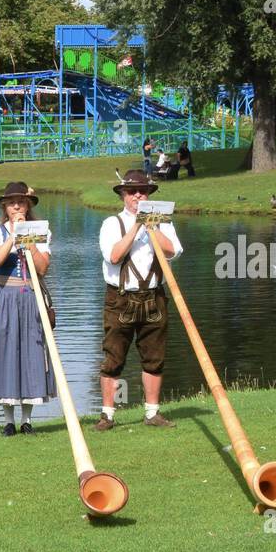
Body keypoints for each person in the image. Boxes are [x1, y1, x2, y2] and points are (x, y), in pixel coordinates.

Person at [96, 169, 182, 430]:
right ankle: (107, 415)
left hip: (155, 297)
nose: (138, 195)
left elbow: (173, 252)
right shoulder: (112, 223)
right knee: (114, 357)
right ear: (123, 195)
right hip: (120, 298)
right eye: (132, 191)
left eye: (143, 191)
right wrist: (136, 225)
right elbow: (114, 256)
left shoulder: (163, 222)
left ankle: (152, 413)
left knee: (154, 356)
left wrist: (152, 226)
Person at [0, 182, 56, 436]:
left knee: (32, 353)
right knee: (4, 352)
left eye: (21, 201)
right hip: (4, 295)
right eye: (11, 202)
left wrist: (29, 239)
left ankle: (27, 420)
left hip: (30, 295)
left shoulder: (42, 231)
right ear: (5, 206)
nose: (16, 205)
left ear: (28, 205)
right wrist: (15, 234)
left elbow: (43, 268)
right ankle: (8, 420)